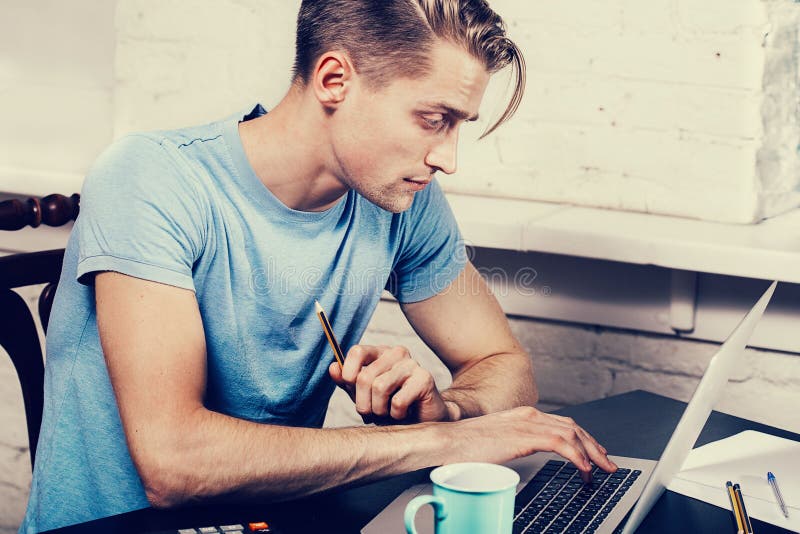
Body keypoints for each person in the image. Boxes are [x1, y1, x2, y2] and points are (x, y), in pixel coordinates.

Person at [21, 1, 616, 532]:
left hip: (275, 520)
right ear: (335, 79)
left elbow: (502, 364)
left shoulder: (404, 198)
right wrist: (444, 440)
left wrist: (449, 408)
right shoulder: (150, 179)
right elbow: (175, 462)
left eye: (460, 126)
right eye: (434, 119)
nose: (447, 158)